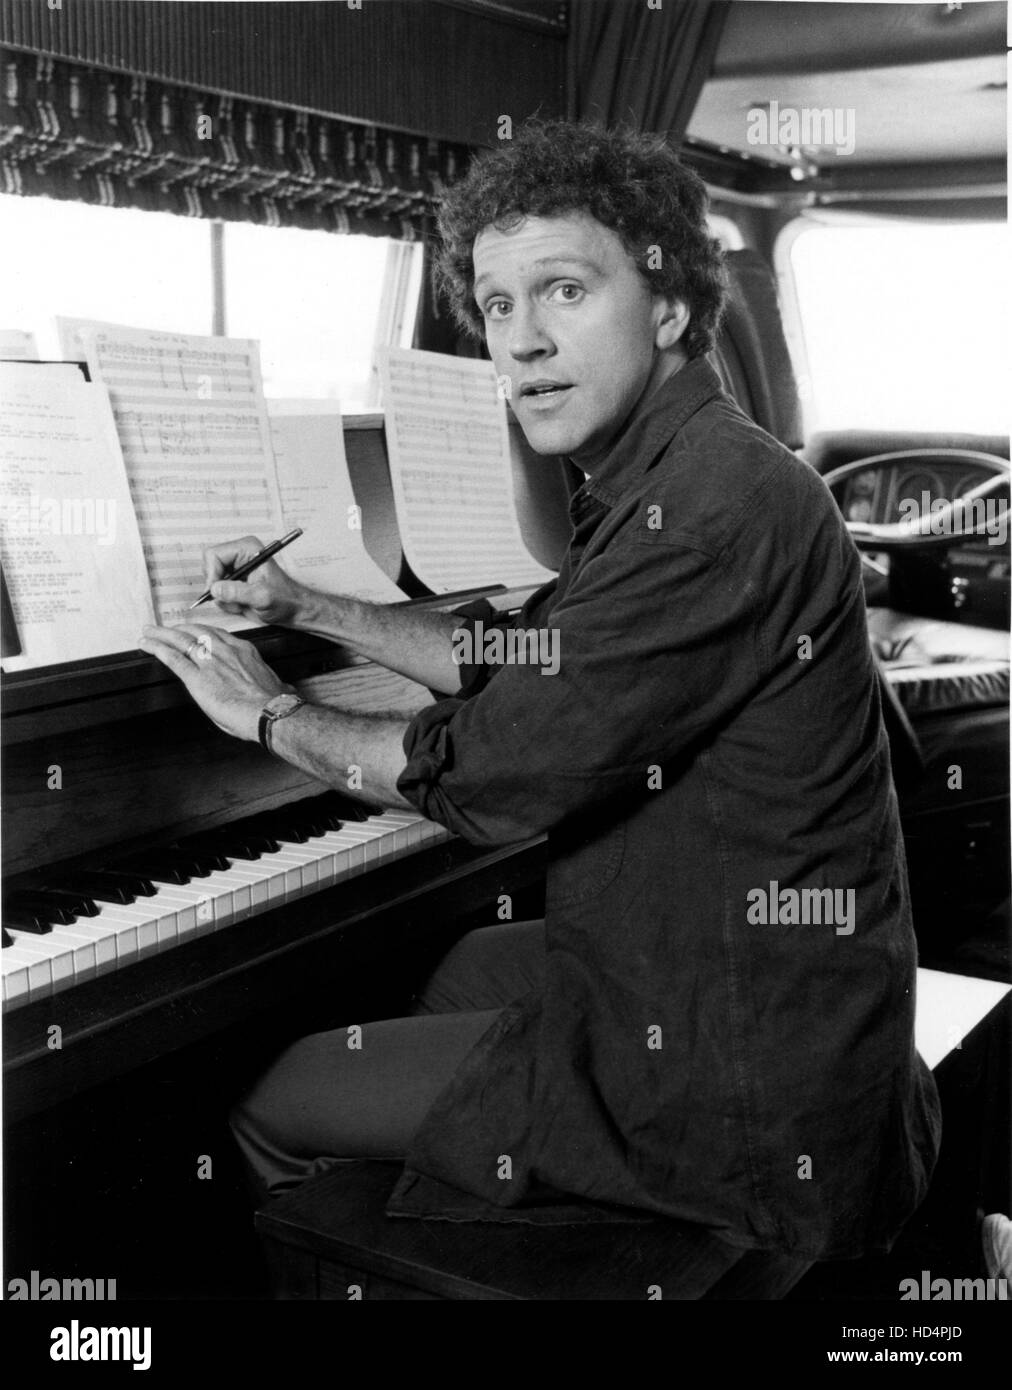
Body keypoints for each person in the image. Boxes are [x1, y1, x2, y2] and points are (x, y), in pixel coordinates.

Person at [139, 120, 940, 1261]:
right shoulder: (684, 468)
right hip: (761, 974)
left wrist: (268, 713)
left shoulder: (705, 513)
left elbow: (494, 774)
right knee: (466, 962)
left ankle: (415, 1252)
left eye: (564, 289)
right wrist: (308, 610)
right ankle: (470, 1197)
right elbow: (537, 659)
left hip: (745, 1079)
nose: (521, 342)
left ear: (668, 306)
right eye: (499, 306)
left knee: (274, 1097)